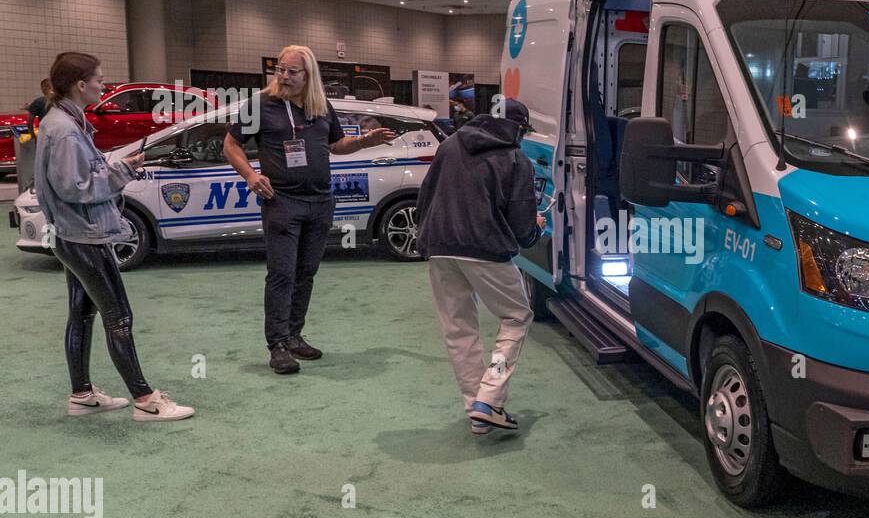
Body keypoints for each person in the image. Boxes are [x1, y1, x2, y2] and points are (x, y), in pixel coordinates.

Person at [34, 52, 195, 421]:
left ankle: (82, 394)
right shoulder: (66, 130)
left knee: (82, 313)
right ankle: (145, 400)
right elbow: (77, 187)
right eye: (98, 79)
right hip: (84, 236)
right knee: (118, 317)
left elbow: (78, 176)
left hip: (71, 234)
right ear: (80, 85)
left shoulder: (62, 122)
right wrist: (120, 173)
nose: (103, 85)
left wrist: (118, 165)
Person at [222, 45, 394, 374]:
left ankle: (294, 335)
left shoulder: (320, 106)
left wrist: (364, 142)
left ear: (308, 74)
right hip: (282, 201)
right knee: (282, 274)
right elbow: (231, 144)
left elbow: (335, 145)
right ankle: (277, 345)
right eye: (280, 70)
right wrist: (250, 175)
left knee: (305, 274)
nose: (284, 77)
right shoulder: (259, 104)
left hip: (320, 202)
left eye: (291, 71)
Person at [414, 98, 544, 434]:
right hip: (486, 249)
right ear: (517, 128)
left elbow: (424, 197)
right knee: (516, 317)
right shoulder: (516, 159)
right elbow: (521, 228)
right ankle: (490, 395)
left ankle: (478, 410)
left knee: (459, 329)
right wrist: (535, 228)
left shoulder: (451, 144)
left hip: (439, 247)